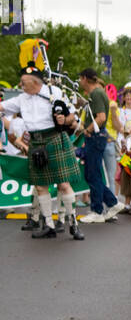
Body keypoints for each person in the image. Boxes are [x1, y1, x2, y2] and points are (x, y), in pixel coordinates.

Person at [1, 62, 84, 239]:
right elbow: (2, 107)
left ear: (35, 82)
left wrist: (64, 119)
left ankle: (74, 225)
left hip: (55, 139)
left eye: (24, 83)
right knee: (40, 186)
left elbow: (73, 117)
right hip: (36, 143)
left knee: (63, 184)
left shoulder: (54, 93)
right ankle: (48, 225)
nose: (21, 86)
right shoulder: (21, 99)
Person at [77, 68, 123, 223]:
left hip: (95, 137)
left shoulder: (96, 94)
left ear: (85, 78)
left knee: (93, 174)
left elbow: (101, 117)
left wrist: (87, 130)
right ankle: (112, 203)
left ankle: (97, 210)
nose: (79, 82)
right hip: (99, 137)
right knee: (93, 174)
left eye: (80, 79)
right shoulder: (99, 93)